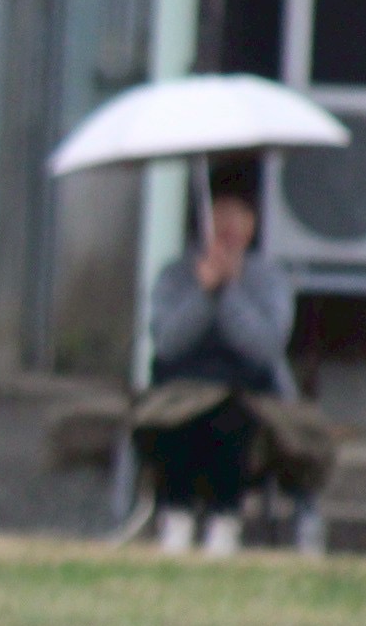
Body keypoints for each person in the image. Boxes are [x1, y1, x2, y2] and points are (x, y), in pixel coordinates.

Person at [136, 167, 323, 555]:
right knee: (176, 421)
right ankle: (177, 515)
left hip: (246, 388)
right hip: (182, 386)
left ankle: (225, 519)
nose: (229, 226)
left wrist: (232, 293)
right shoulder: (175, 275)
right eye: (219, 214)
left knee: (233, 421)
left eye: (240, 216)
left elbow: (265, 349)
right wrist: (203, 294)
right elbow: (168, 343)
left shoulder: (268, 279)